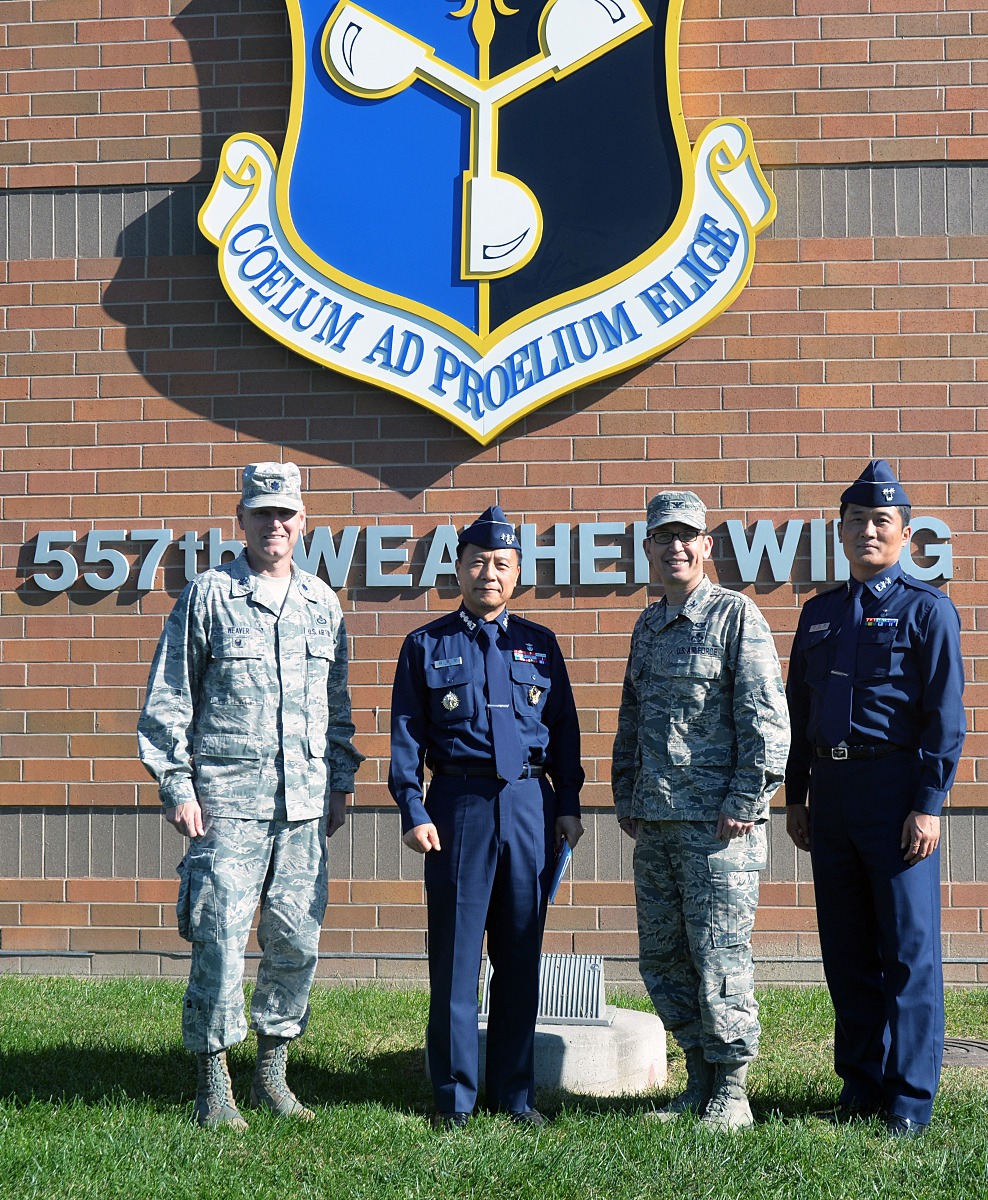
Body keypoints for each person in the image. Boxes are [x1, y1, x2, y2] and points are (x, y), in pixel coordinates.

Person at [138, 462, 363, 1128]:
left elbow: (338, 706)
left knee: (296, 942)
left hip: (303, 809)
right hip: (227, 805)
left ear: (303, 521)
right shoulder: (208, 596)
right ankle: (215, 1082)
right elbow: (169, 698)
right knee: (219, 940)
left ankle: (272, 1074)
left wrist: (341, 780)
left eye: (286, 513)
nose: (275, 524)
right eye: (262, 512)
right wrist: (176, 785)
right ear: (242, 519)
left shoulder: (323, 603)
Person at [785, 459, 965, 1138]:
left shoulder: (927, 610)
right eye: (856, 520)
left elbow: (944, 717)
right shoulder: (820, 614)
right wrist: (796, 794)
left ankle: (910, 1101)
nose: (867, 530)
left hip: (896, 795)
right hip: (830, 795)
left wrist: (929, 802)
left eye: (880, 520)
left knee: (908, 951)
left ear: (906, 533)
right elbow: (802, 711)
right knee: (848, 948)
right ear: (841, 530)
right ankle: (860, 1086)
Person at [388, 504, 584, 1128]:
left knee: (521, 952)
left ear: (518, 572)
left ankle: (515, 1092)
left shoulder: (541, 645)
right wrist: (413, 807)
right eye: (477, 562)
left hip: (530, 804)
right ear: (459, 569)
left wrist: (569, 805)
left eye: (501, 564)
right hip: (459, 806)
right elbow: (406, 736)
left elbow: (565, 734)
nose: (488, 574)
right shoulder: (426, 645)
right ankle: (454, 1097)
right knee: (455, 957)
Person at [612, 490, 790, 1131]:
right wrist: (626, 793)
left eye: (688, 536)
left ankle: (732, 1092)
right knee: (664, 957)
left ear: (707, 547)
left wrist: (745, 801)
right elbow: (633, 716)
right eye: (664, 537)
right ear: (650, 548)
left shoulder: (737, 617)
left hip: (720, 828)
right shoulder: (649, 625)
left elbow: (767, 720)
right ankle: (697, 1077)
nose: (676, 547)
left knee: (718, 955)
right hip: (656, 822)